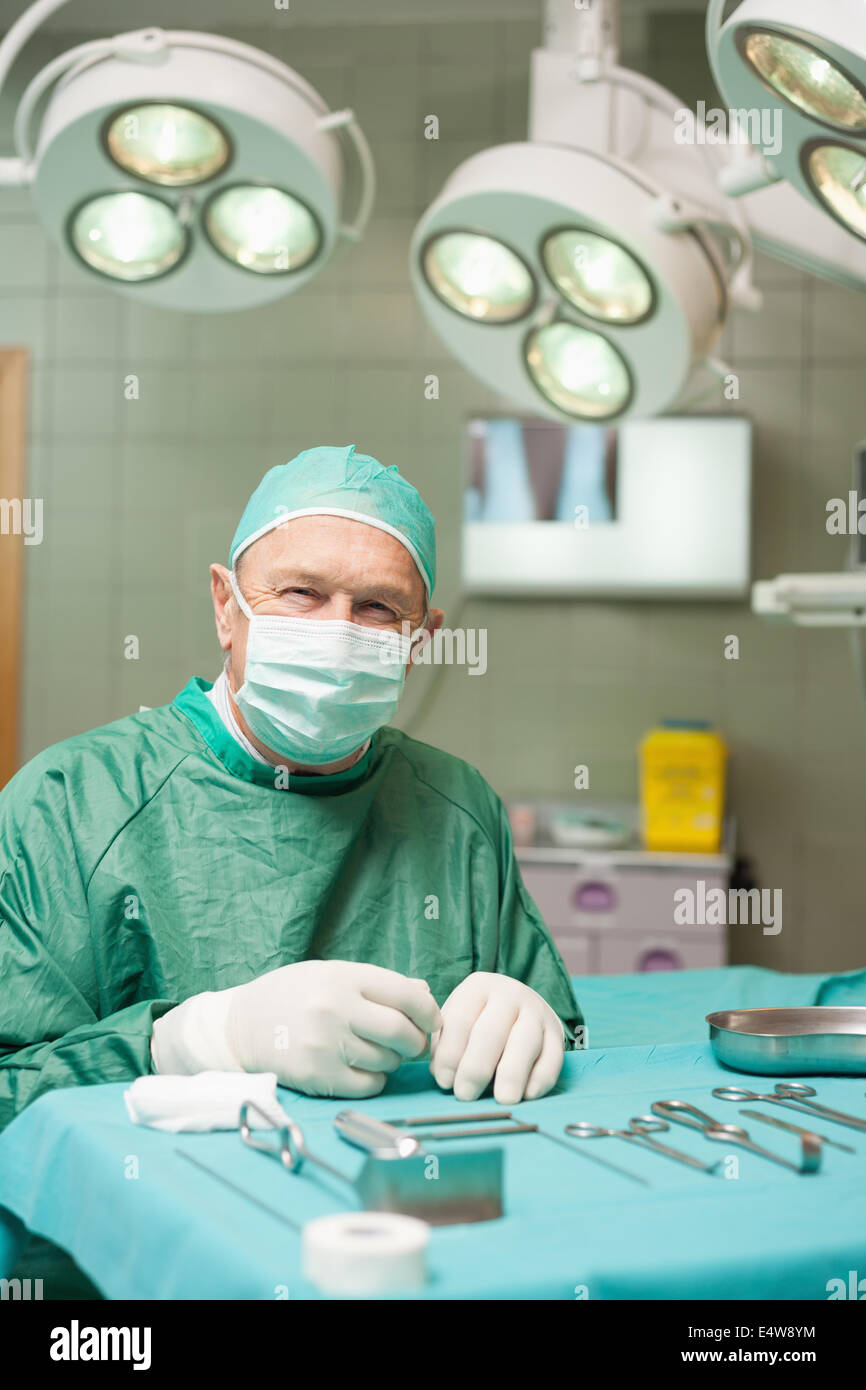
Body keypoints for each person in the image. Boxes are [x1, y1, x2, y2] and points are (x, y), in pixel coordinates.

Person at [0, 445, 582, 1130]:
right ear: (226, 605)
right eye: (301, 593)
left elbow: (557, 1054)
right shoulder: (70, 803)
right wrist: (191, 1041)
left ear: (419, 641)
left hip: (401, 1212)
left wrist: (531, 1026)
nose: (335, 634)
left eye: (376, 608)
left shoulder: (457, 810)